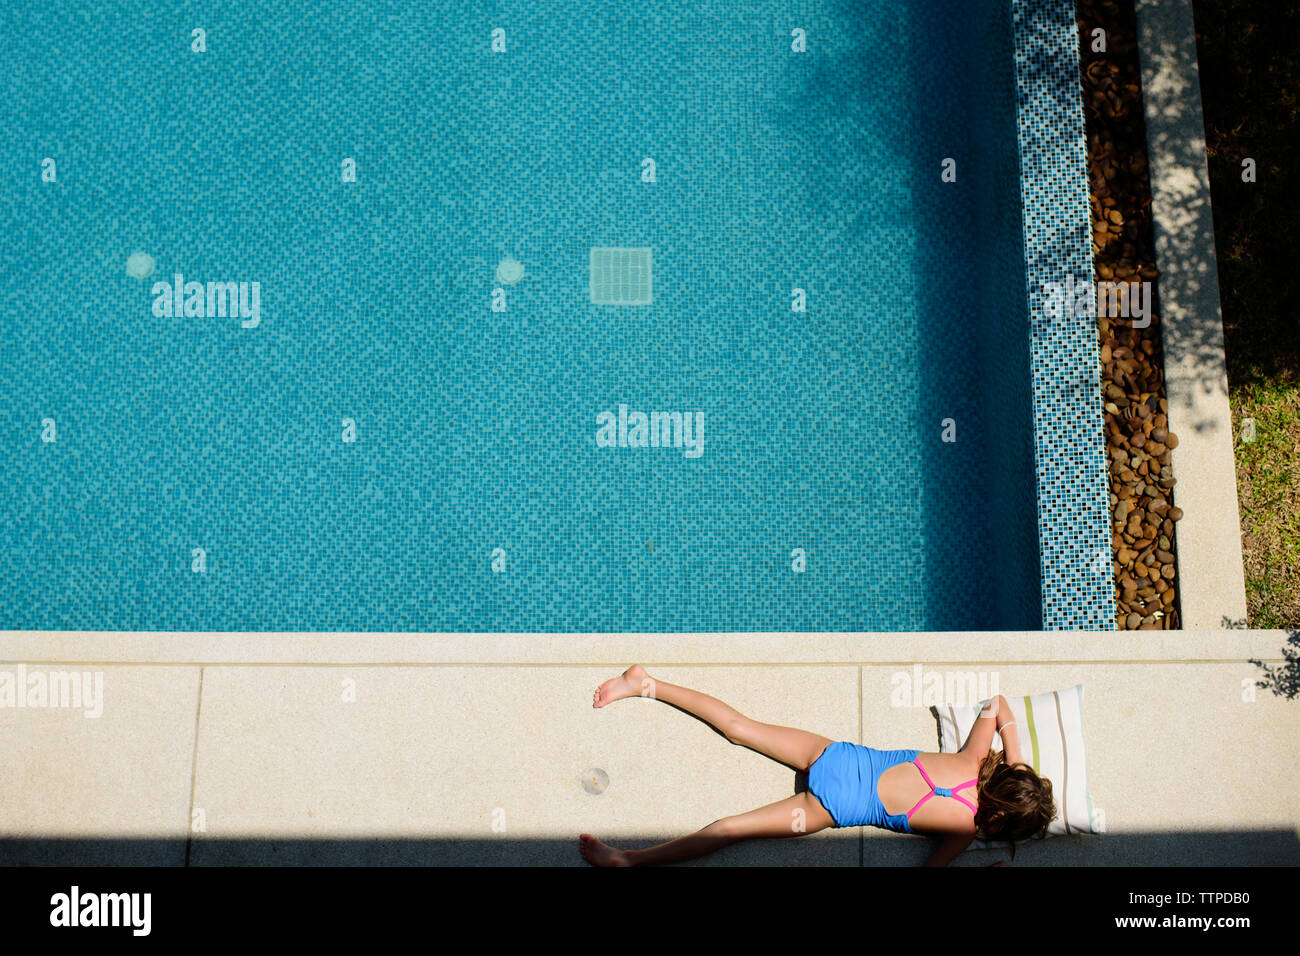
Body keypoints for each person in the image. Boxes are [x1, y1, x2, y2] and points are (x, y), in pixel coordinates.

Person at [578, 665, 1056, 866]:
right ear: (1000, 819)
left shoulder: (971, 759)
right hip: (829, 806)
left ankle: (645, 682)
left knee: (739, 727)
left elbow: (996, 704)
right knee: (728, 829)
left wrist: (1016, 760)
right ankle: (629, 861)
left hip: (836, 756)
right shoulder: (964, 833)